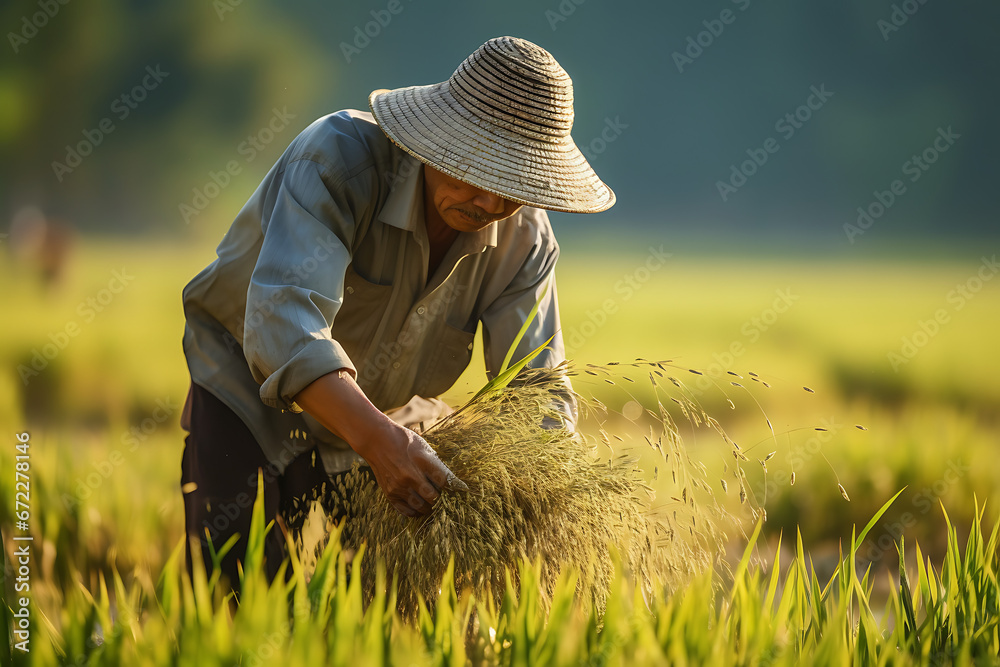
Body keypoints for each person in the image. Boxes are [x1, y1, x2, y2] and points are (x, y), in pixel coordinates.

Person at [179, 36, 615, 591]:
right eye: (476, 172)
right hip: (251, 390)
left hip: (391, 412)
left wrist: (546, 485)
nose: (489, 203)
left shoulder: (523, 241)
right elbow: (285, 322)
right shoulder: (340, 162)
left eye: (512, 187)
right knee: (237, 589)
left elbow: (534, 392)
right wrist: (379, 442)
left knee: (386, 604)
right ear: (437, 144)